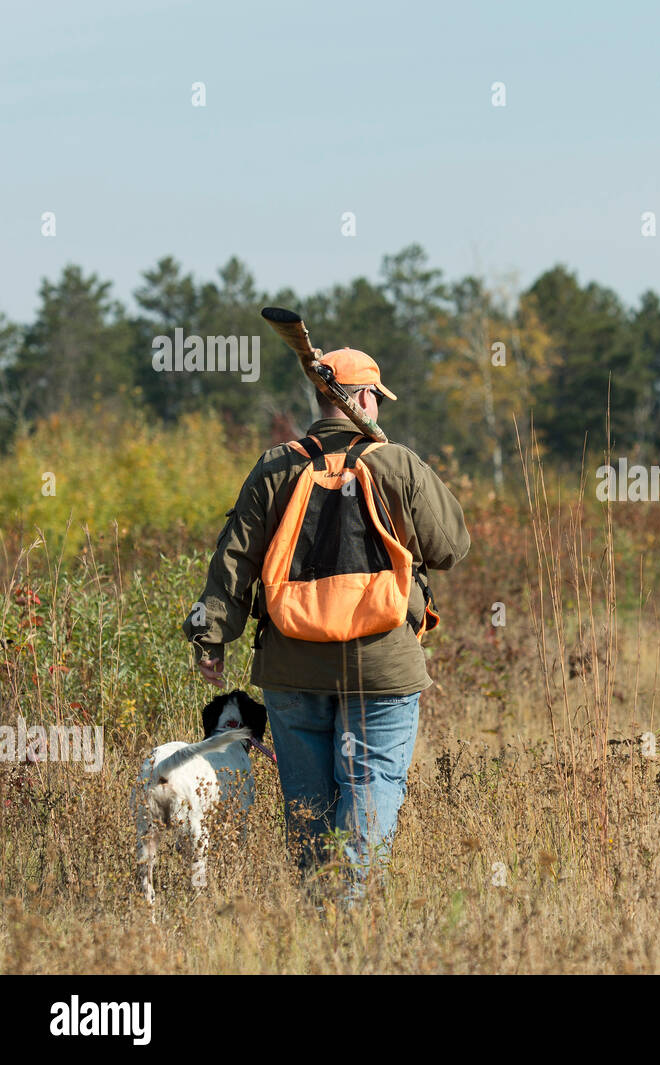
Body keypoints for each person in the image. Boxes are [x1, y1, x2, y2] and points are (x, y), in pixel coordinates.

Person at [183, 347, 470, 898]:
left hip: (293, 665)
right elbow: (451, 546)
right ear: (363, 399)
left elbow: (235, 557)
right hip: (380, 666)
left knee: (308, 801)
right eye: (376, 399)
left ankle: (320, 915)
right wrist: (402, 469)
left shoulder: (276, 466)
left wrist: (212, 636)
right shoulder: (396, 462)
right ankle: (349, 912)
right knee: (371, 787)